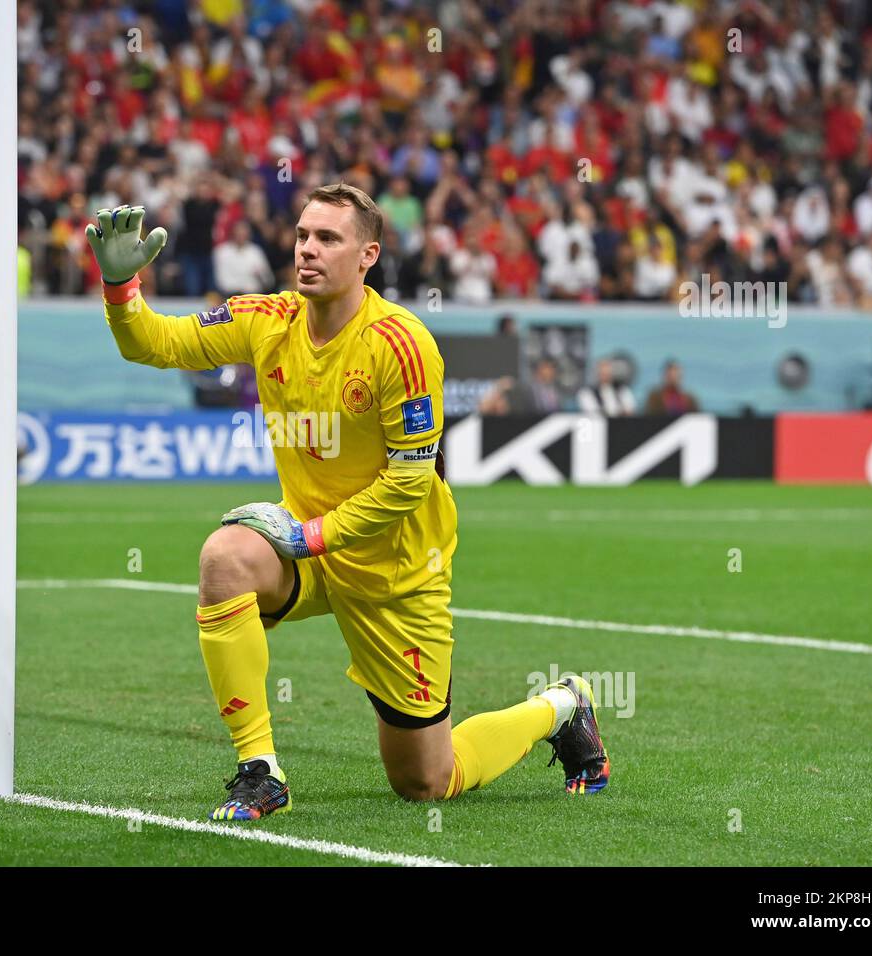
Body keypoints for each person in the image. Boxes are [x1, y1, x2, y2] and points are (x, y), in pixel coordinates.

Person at [85, 185, 610, 821]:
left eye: (328, 239)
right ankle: (259, 770)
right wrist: (120, 287)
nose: (308, 249)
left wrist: (308, 536)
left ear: (367, 255)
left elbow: (408, 482)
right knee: (225, 558)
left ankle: (560, 706)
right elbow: (155, 344)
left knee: (425, 782)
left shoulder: (400, 344)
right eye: (303, 235)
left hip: (397, 569)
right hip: (308, 549)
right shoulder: (266, 319)